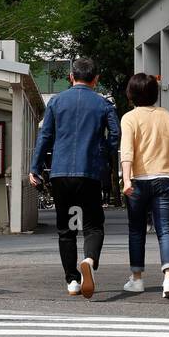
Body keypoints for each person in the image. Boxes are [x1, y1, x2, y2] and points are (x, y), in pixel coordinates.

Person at [29, 55, 121, 298]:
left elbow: (45, 137)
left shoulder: (57, 102)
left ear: (71, 77)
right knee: (93, 224)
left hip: (61, 173)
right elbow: (115, 134)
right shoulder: (103, 104)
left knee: (66, 228)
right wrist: (104, 154)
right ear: (96, 79)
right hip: (89, 172)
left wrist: (35, 168)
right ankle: (89, 261)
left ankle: (72, 280)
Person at [120, 72, 169, 300]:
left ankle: (137, 279)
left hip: (138, 181)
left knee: (136, 230)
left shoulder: (130, 118)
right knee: (165, 229)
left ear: (132, 93)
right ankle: (168, 277)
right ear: (155, 93)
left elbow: (127, 151)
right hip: (165, 180)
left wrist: (126, 179)